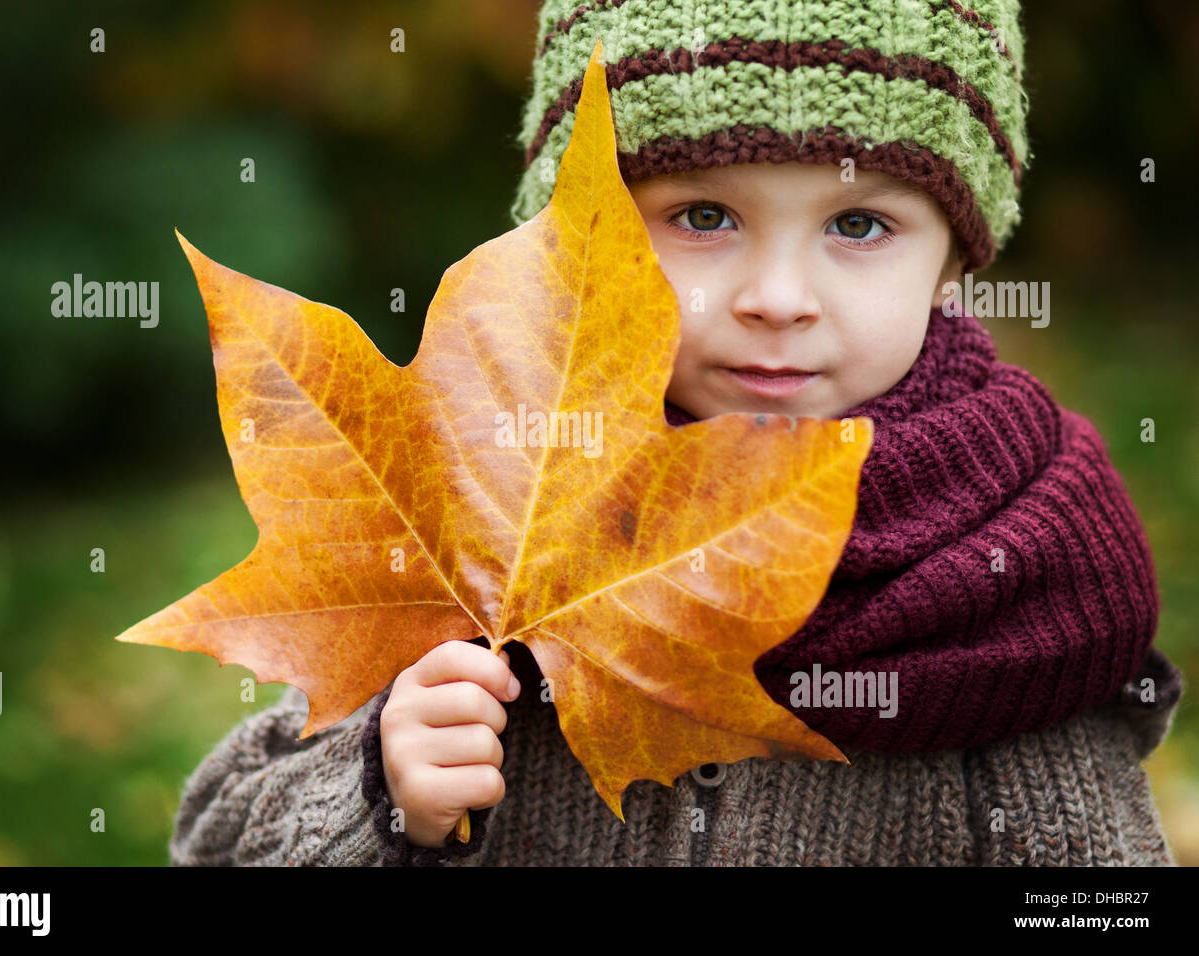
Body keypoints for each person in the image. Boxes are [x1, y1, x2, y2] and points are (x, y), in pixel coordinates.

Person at [169, 0, 1184, 866]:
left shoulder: (1002, 589)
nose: (778, 297)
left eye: (859, 225)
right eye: (703, 216)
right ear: (578, 240)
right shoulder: (481, 507)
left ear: (954, 262)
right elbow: (212, 839)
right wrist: (382, 795)